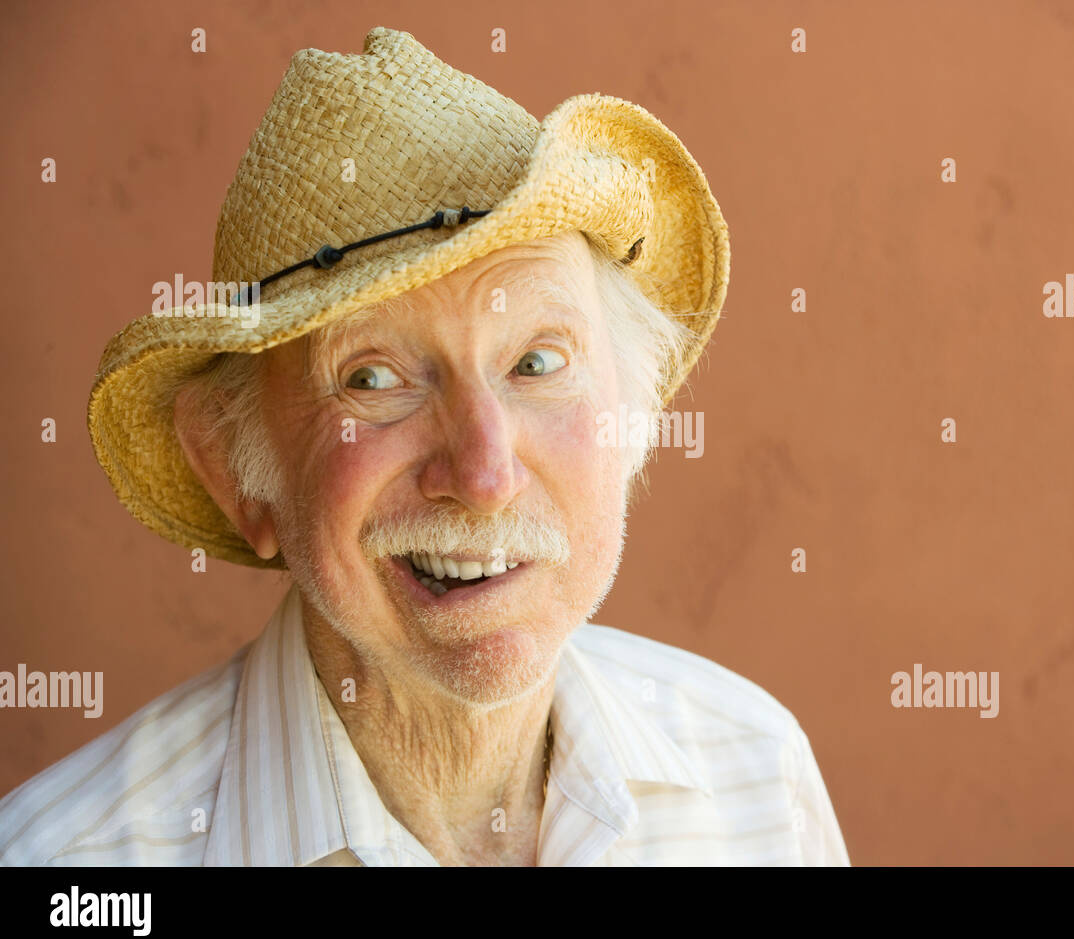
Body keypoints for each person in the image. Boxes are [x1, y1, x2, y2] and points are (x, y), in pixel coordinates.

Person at [0, 26, 849, 866]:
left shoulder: (757, 784)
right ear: (237, 474)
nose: (484, 476)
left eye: (538, 362)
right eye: (372, 379)